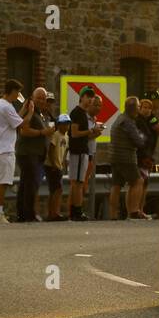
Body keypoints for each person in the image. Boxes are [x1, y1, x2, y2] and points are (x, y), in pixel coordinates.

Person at [0, 80, 35, 225]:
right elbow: (22, 123)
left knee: (2, 182)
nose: (18, 95)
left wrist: (23, 109)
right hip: (4, 149)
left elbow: (15, 119)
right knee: (2, 182)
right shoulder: (5, 107)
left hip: (1, 148)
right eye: (18, 92)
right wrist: (31, 112)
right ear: (13, 91)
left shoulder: (2, 104)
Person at [14, 87, 51, 223]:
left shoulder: (40, 113)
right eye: (38, 97)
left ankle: (23, 214)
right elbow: (24, 131)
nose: (41, 100)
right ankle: (28, 214)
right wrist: (43, 133)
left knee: (26, 184)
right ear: (32, 98)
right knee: (30, 185)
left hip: (35, 154)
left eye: (43, 98)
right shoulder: (29, 112)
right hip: (28, 154)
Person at [68, 87, 104, 221]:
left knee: (79, 182)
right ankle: (76, 211)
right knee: (77, 182)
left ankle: (75, 210)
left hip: (82, 151)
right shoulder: (77, 113)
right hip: (77, 151)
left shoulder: (83, 113)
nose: (90, 99)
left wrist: (93, 132)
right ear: (81, 97)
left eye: (91, 97)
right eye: (87, 96)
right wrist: (91, 131)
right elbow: (74, 133)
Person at [109, 97, 147, 220]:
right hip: (126, 158)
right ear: (133, 108)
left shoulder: (119, 119)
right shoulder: (128, 122)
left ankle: (113, 214)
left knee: (116, 185)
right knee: (138, 181)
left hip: (114, 156)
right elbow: (139, 141)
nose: (139, 109)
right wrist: (143, 137)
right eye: (138, 107)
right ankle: (134, 211)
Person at [45, 114, 71, 221]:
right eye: (63, 124)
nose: (65, 126)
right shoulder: (56, 135)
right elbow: (51, 150)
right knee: (57, 190)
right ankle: (53, 213)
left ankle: (53, 213)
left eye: (67, 124)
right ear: (59, 125)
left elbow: (64, 152)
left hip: (59, 166)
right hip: (52, 166)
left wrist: (63, 164)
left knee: (55, 190)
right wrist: (54, 164)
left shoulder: (67, 137)